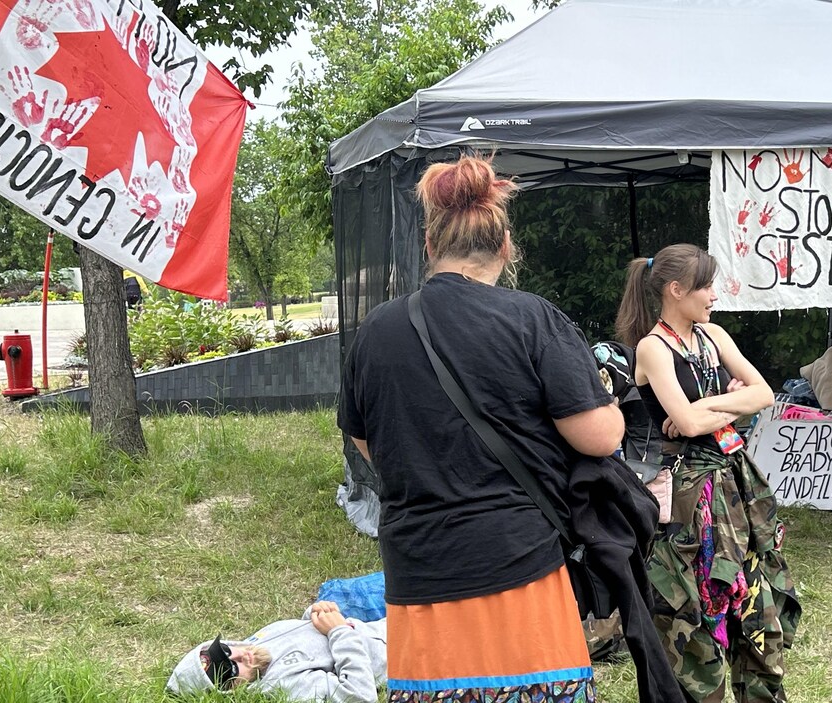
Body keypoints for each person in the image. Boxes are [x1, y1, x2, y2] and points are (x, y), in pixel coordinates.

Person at [338, 154, 623, 702]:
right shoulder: (532, 318)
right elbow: (600, 437)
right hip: (521, 566)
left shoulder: (377, 330)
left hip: (419, 574)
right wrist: (608, 402)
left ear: (428, 243)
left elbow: (364, 440)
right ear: (505, 246)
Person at [616, 243, 801, 703]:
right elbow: (698, 425)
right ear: (677, 290)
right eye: (706, 285)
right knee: (695, 606)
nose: (715, 295)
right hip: (687, 498)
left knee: (755, 603)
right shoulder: (652, 348)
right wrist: (726, 405)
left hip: (736, 487)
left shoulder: (714, 336)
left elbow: (764, 395)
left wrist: (703, 407)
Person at [166, 601, 387, 702]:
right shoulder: (282, 685)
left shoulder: (254, 645)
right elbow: (359, 696)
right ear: (229, 691)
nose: (239, 654)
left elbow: (301, 640)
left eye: (223, 650)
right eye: (230, 667)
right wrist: (339, 631)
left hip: (386, 625)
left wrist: (315, 614)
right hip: (406, 651)